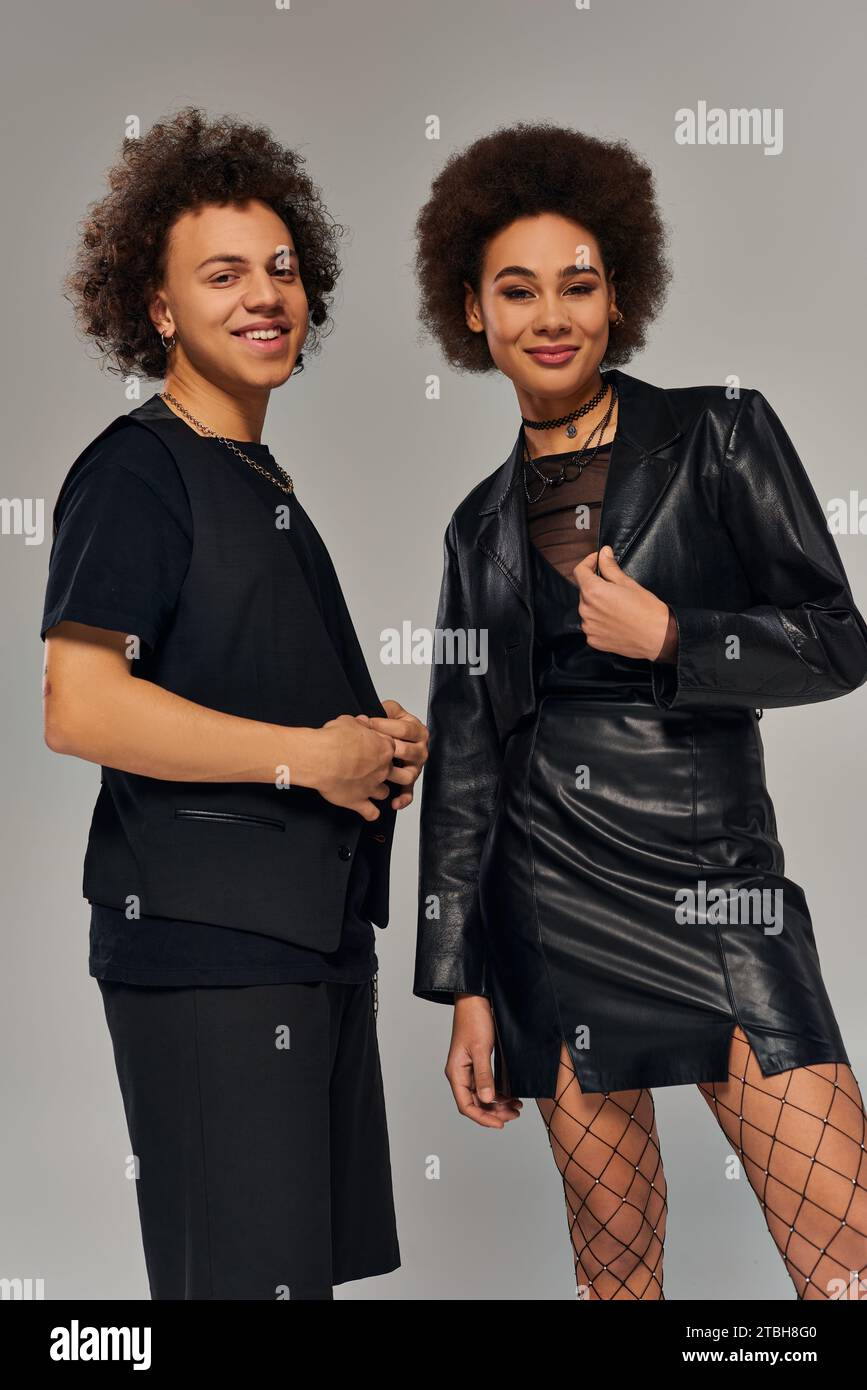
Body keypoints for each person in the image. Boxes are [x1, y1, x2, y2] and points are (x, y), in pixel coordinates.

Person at [412, 121, 867, 1300]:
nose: (550, 314)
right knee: (618, 1279)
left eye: (580, 284)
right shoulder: (475, 526)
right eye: (518, 290)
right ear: (474, 312)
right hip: (550, 901)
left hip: (721, 884)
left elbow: (836, 641)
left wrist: (676, 636)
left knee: (849, 1268)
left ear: (619, 299)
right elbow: (465, 753)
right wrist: (463, 983)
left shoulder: (719, 434)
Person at [41, 106, 428, 1300]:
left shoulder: (251, 474)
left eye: (281, 268)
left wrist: (369, 738)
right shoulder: (139, 467)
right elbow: (80, 704)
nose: (265, 294)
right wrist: (311, 760)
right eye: (221, 274)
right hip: (209, 957)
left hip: (305, 946)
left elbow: (248, 683)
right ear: (158, 310)